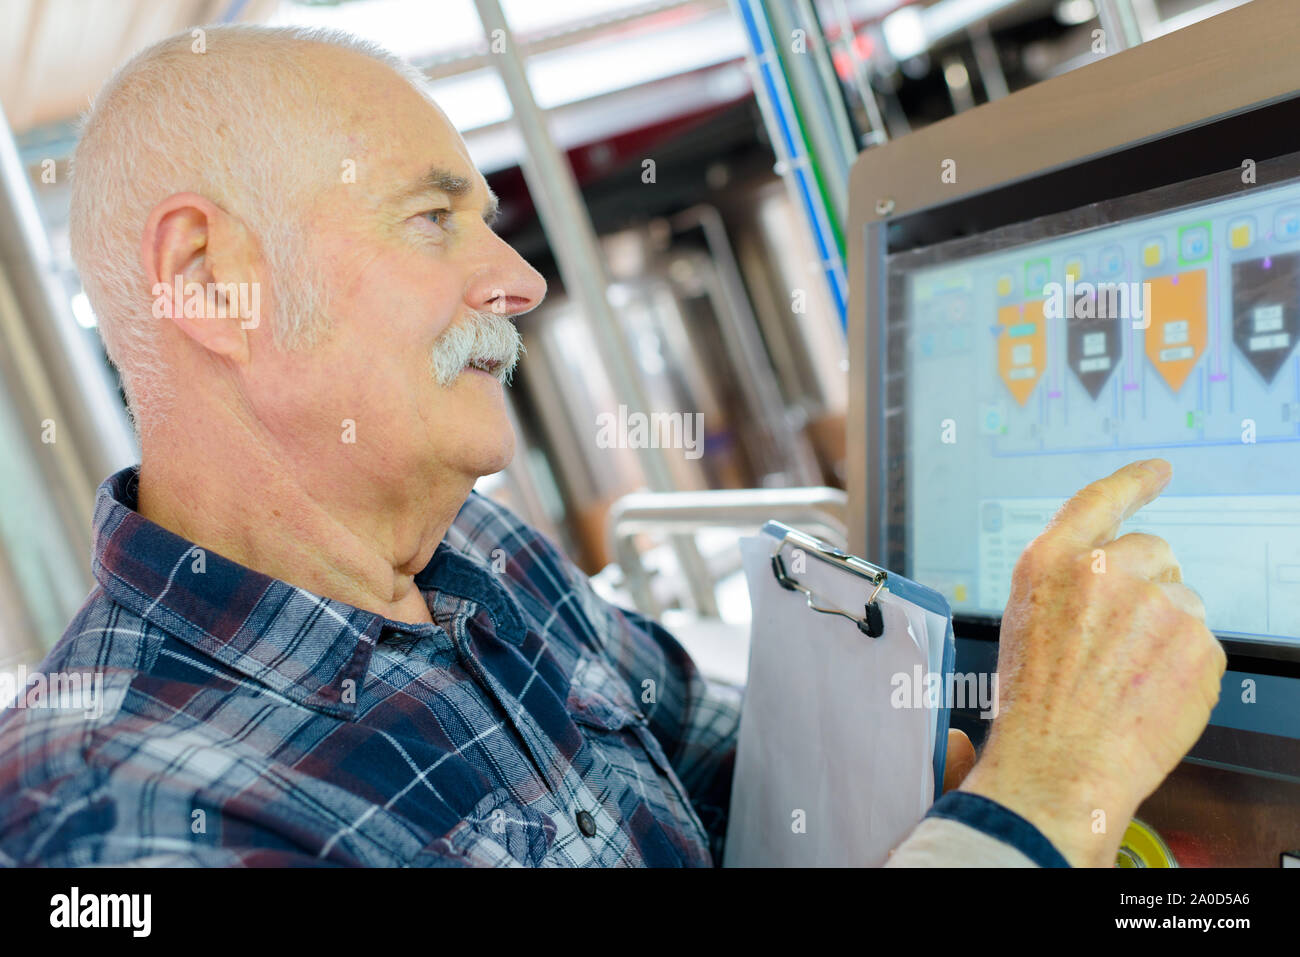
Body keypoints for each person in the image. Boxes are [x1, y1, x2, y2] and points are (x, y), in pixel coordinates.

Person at [0, 26, 1225, 867]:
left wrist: (991, 728)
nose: (522, 280)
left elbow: (755, 784)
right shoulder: (118, 820)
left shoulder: (482, 562)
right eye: (434, 218)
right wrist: (1046, 797)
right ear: (209, 281)